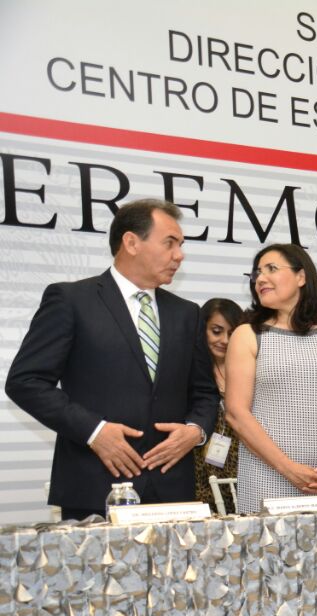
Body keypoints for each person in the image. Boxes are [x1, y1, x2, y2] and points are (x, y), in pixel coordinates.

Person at [5, 199, 219, 520]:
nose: (179, 255)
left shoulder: (186, 313)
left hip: (172, 491)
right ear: (131, 242)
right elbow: (26, 382)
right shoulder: (71, 300)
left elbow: (205, 393)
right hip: (95, 484)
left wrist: (194, 431)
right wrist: (95, 432)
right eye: (170, 243)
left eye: (181, 245)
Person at [225, 244, 317, 512]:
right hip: (269, 479)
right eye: (257, 273)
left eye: (272, 269)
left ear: (301, 277)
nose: (261, 279)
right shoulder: (247, 335)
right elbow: (236, 413)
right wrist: (288, 469)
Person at [193, 298, 245, 511]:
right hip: (198, 466)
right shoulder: (192, 372)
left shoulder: (249, 371)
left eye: (232, 333)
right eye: (216, 331)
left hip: (242, 465)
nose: (224, 340)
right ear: (202, 330)